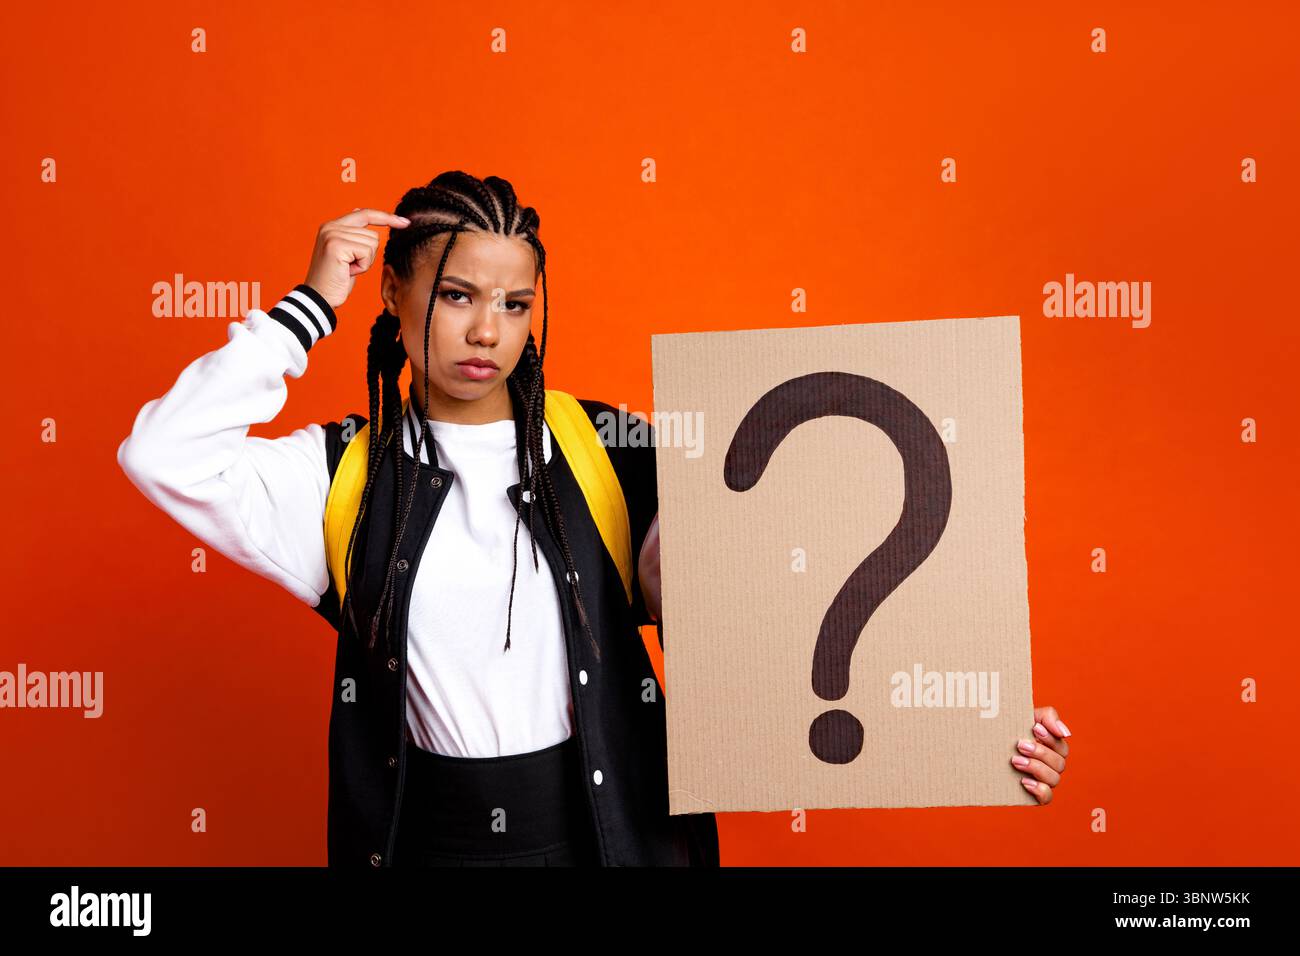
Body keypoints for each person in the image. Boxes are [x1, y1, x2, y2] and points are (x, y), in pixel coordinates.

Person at [118, 170, 719, 866]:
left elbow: (720, 592)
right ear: (392, 291)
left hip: (609, 838)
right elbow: (163, 453)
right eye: (457, 296)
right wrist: (308, 306)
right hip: (432, 846)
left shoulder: (601, 446)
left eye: (516, 304)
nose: (488, 331)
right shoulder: (338, 474)